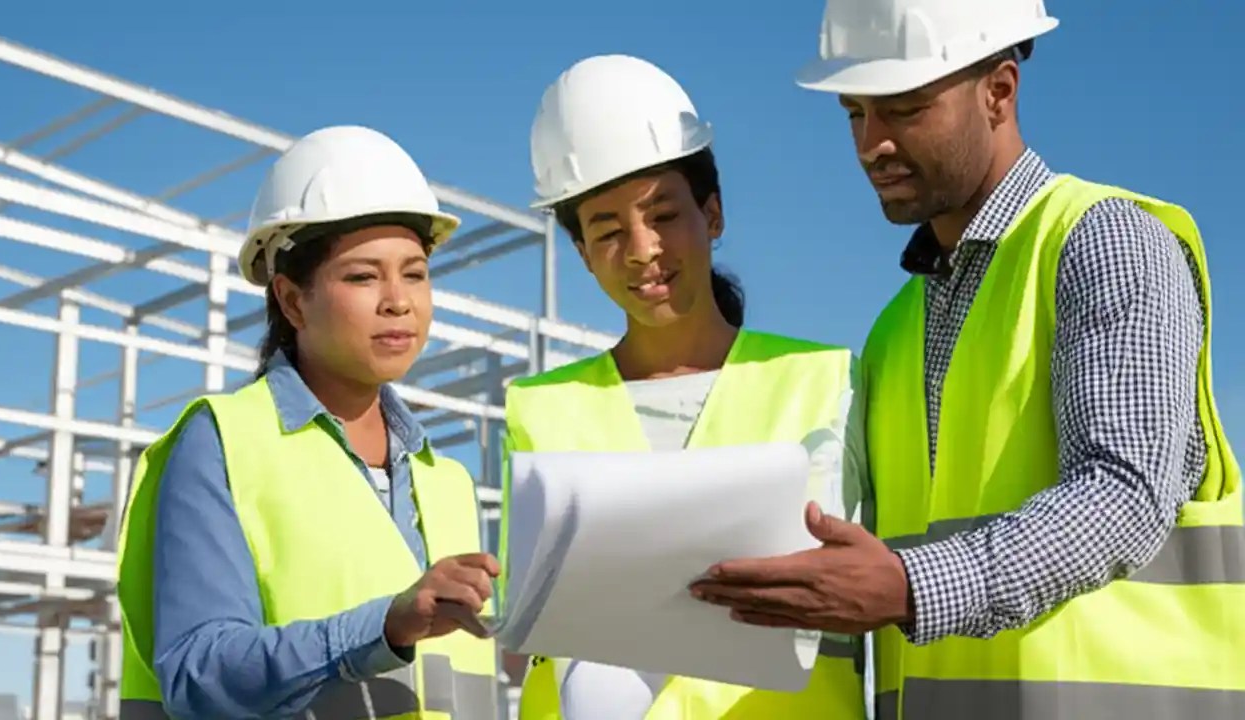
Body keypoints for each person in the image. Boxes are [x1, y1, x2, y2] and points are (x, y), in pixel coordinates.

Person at [688, 1, 1245, 718]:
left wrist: (910, 588)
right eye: (854, 113)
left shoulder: (1105, 244)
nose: (870, 145)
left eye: (905, 109)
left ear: (1000, 91)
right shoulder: (892, 332)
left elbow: (1124, 495)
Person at [506, 54, 870, 720]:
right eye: (608, 231)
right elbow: (532, 636)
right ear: (584, 255)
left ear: (714, 214)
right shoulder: (541, 410)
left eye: (663, 215)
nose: (642, 249)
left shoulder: (827, 381)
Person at [115, 125, 501, 720]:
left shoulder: (447, 482)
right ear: (293, 301)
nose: (398, 300)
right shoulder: (224, 441)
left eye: (415, 273)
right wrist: (384, 626)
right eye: (363, 276)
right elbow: (198, 671)